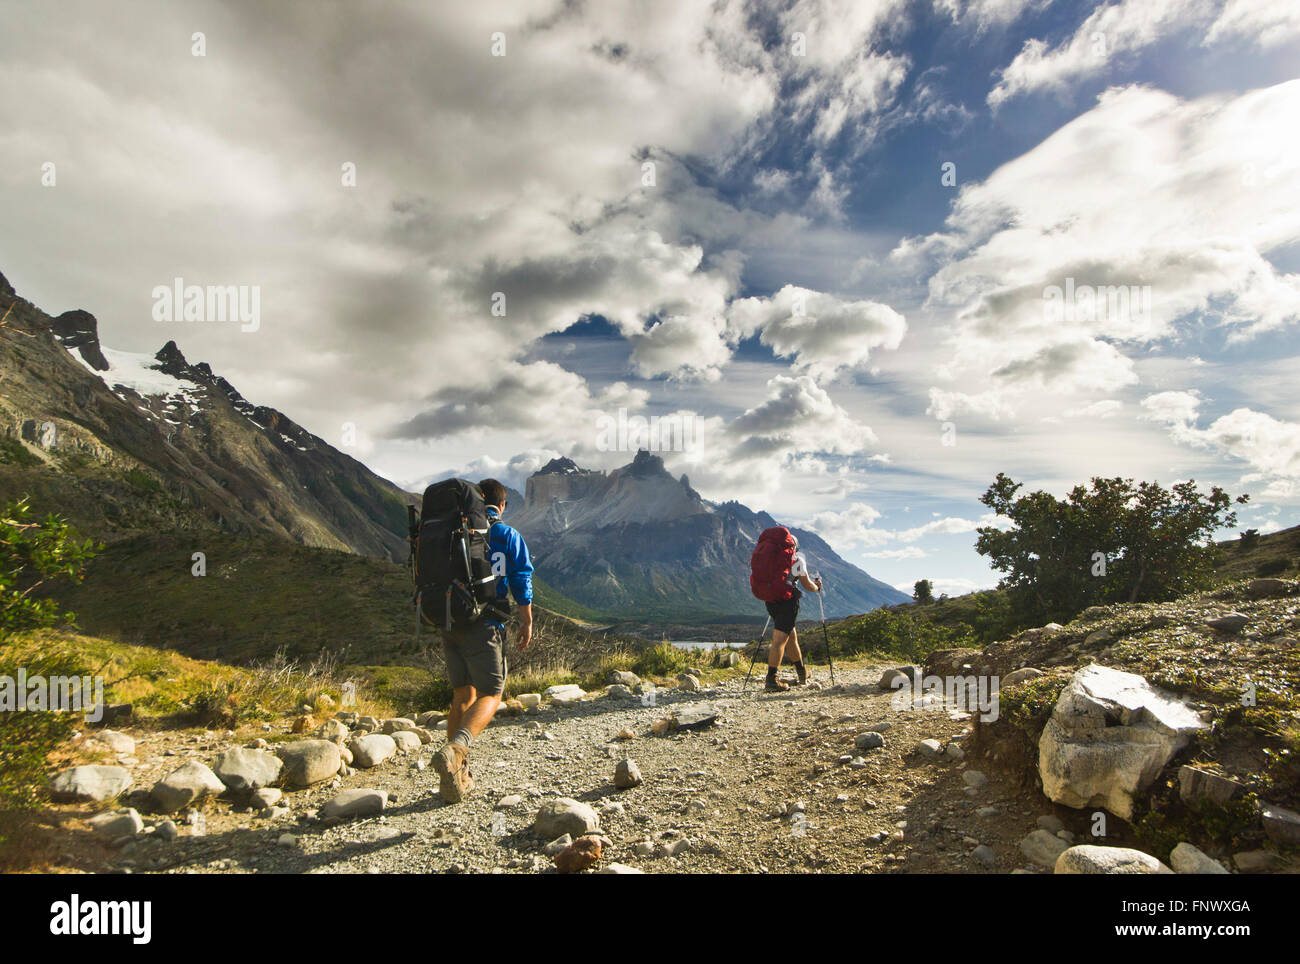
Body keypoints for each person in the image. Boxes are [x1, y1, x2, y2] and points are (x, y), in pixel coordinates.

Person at [432, 478, 533, 803]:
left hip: (449, 620)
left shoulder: (456, 530)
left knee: (463, 693)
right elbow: (521, 577)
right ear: (502, 505)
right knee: (491, 692)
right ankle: (458, 748)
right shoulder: (506, 534)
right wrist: (526, 618)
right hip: (486, 624)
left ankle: (456, 776)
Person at [765, 535, 822, 693]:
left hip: (770, 600)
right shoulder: (797, 560)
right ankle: (771, 679)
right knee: (779, 640)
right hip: (788, 602)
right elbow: (807, 585)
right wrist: (817, 587)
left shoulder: (770, 559)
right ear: (794, 547)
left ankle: (802, 672)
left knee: (791, 636)